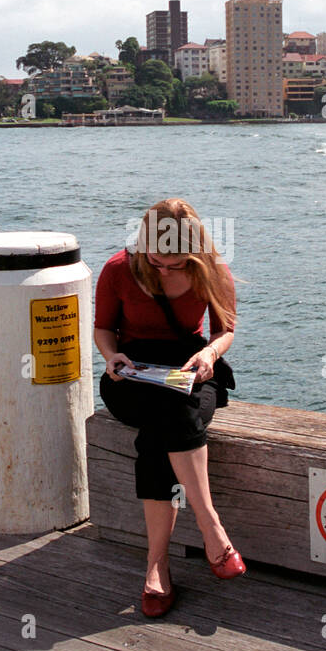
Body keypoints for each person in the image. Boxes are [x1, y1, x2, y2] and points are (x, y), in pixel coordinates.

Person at [93, 198, 244, 619]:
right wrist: (112, 358)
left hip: (191, 367)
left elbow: (224, 330)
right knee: (172, 414)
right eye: (155, 261)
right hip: (131, 373)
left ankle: (156, 565)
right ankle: (211, 527)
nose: (162, 271)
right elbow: (104, 328)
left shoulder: (213, 271)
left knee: (167, 422)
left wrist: (211, 355)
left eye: (174, 265)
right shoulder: (118, 269)